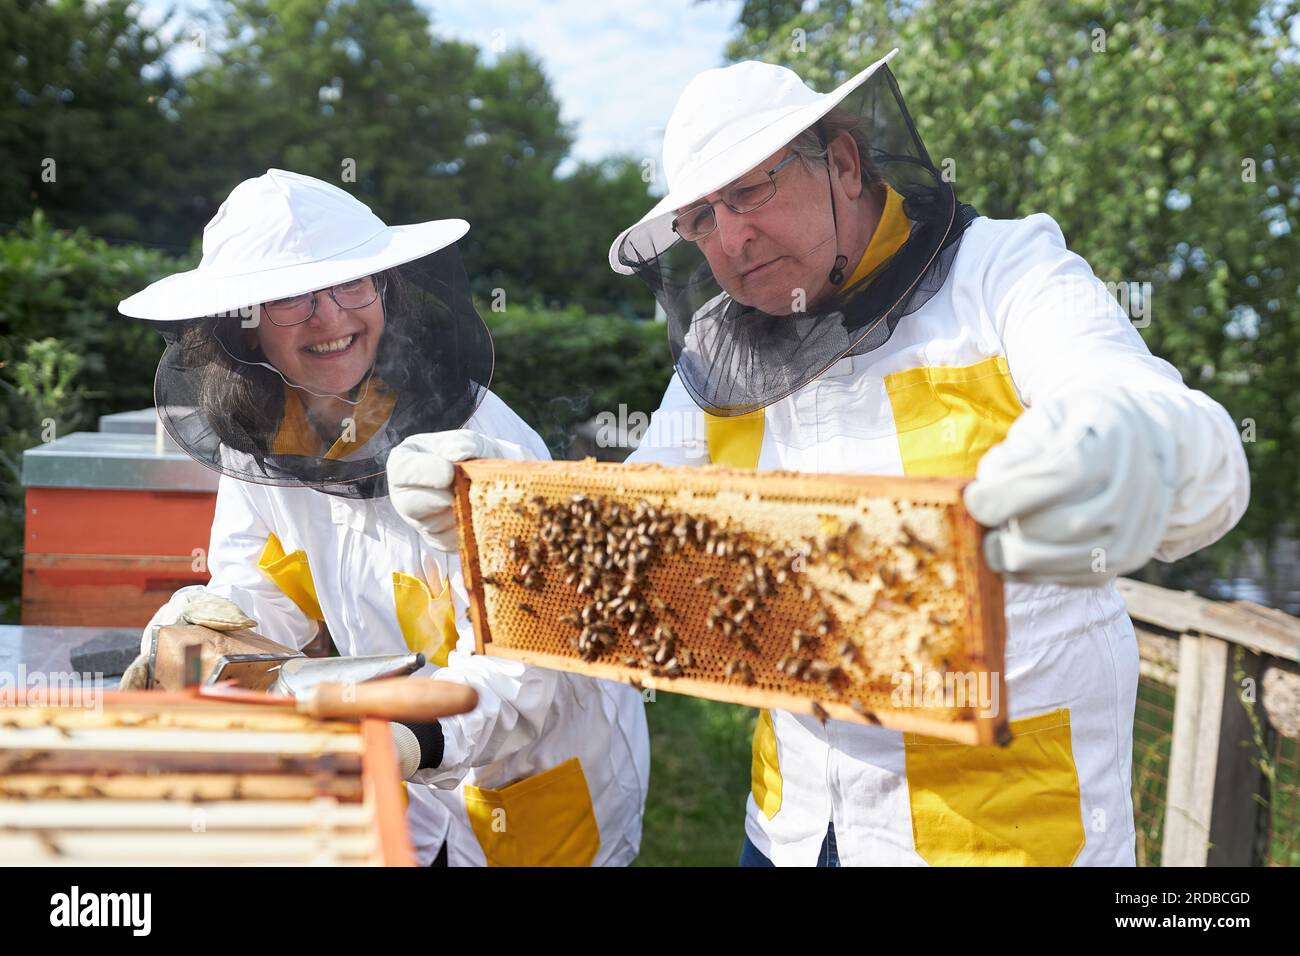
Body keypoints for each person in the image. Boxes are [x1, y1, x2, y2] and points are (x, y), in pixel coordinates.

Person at [606, 49, 1249, 865]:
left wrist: (1141, 449)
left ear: (841, 162)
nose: (729, 238)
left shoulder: (1007, 273)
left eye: (749, 191)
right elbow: (632, 512)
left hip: (996, 833)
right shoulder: (720, 352)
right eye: (701, 217)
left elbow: (1156, 418)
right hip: (791, 826)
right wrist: (477, 503)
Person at [118, 169, 649, 866]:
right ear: (242, 328)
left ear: (387, 292)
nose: (331, 316)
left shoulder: (486, 440)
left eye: (351, 284)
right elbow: (260, 592)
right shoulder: (270, 438)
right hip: (405, 776)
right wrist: (197, 634)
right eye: (291, 299)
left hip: (536, 769)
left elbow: (523, 662)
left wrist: (413, 738)